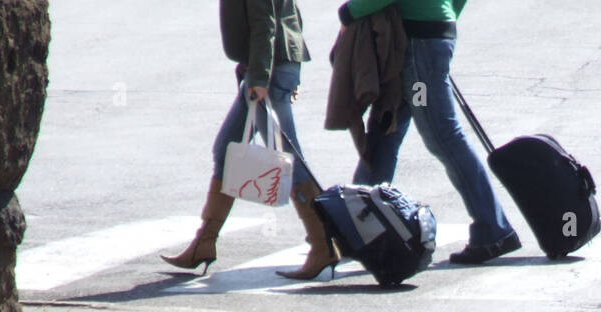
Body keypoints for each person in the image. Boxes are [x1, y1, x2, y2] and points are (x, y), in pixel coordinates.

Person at [162, 0, 339, 281]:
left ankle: (323, 244)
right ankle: (204, 241)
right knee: (227, 149)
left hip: (270, 71)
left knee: (286, 157)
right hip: (271, 67)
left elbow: (265, 22)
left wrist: (259, 75)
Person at [337, 0, 520, 265]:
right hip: (423, 38)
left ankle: (493, 229)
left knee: (443, 136)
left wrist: (351, 11)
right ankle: (357, 227)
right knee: (384, 130)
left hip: (418, 45)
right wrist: (444, 19)